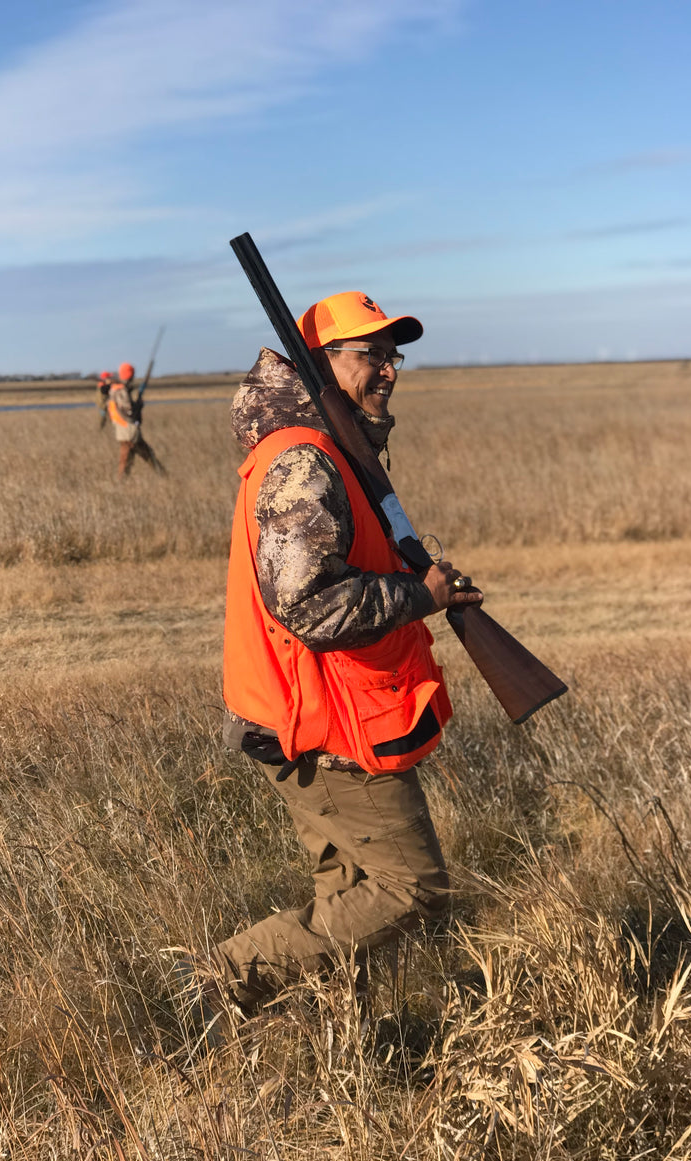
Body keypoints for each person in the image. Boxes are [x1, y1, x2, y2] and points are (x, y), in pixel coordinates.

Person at [192, 290, 483, 1031]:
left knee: (346, 890)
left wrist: (425, 589)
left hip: (319, 711)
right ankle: (227, 977)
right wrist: (419, 595)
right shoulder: (304, 459)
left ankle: (323, 1043)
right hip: (329, 725)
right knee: (413, 889)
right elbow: (310, 605)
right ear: (323, 367)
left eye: (393, 355)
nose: (388, 370)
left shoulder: (330, 451)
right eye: (370, 355)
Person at [107, 362, 165, 478]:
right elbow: (129, 411)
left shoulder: (115, 388)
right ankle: (164, 476)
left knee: (135, 458)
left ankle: (164, 476)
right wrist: (138, 405)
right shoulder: (121, 390)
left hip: (123, 430)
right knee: (133, 459)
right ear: (130, 375)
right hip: (128, 431)